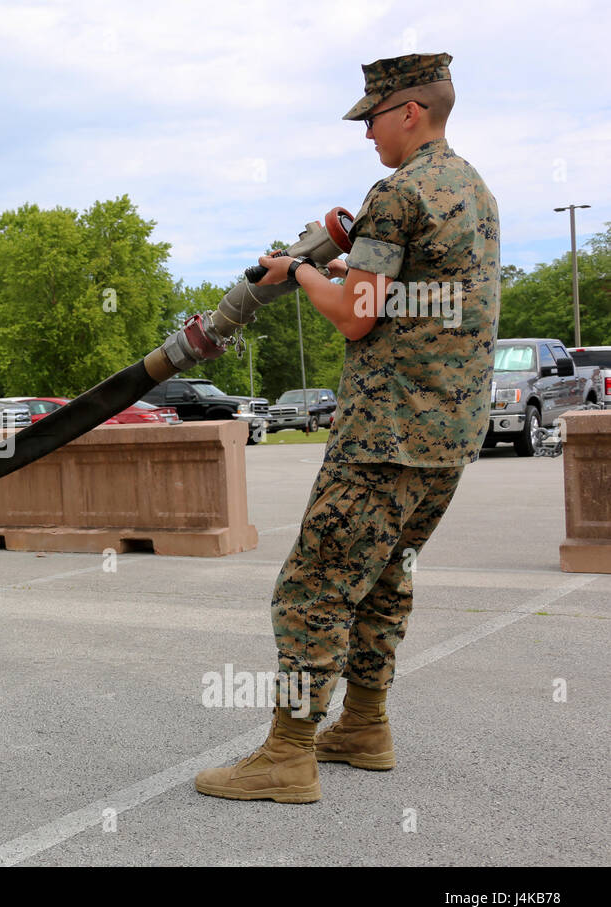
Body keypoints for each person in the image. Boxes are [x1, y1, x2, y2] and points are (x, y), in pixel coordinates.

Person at [195, 52, 500, 803]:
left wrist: (296, 272)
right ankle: (364, 727)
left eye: (373, 119)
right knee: (386, 580)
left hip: (383, 434)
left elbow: (356, 317)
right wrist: (322, 271)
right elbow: (408, 301)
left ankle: (288, 755)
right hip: (449, 436)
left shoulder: (397, 194)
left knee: (314, 587)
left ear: (411, 112)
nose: (367, 135)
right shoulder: (475, 191)